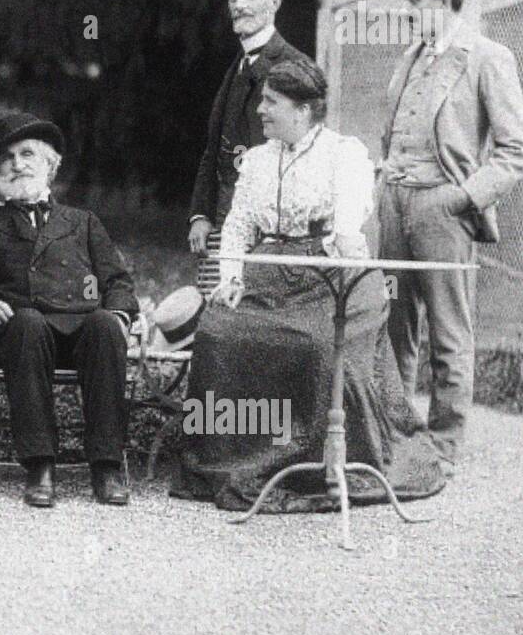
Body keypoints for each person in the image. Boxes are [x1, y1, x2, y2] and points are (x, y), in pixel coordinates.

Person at [172, 58, 445, 512]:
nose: (260, 110)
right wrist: (232, 276)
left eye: (271, 102)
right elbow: (238, 225)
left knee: (317, 344)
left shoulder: (344, 154)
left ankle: (318, 462)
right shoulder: (257, 161)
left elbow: (347, 226)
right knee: (219, 332)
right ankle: (228, 460)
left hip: (329, 271)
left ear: (302, 111)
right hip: (269, 270)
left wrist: (348, 266)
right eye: (262, 100)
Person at [0, 113, 139, 508]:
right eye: (7, 157)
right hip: (19, 335)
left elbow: (118, 283)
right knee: (26, 320)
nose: (17, 163)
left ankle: (106, 467)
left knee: (104, 325)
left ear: (52, 165)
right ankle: (40, 466)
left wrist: (118, 315)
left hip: (79, 331)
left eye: (28, 154)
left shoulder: (83, 222)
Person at [378, 0, 523, 471]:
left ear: (444, 2)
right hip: (393, 204)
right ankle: (396, 437)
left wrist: (462, 197)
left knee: (449, 330)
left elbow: (517, 151)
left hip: (443, 207)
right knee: (394, 323)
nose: (407, 13)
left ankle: (443, 447)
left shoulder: (489, 57)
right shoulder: (410, 58)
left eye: (414, 3)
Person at [188, 0, 309, 261]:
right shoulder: (236, 67)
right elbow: (214, 147)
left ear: (275, 2)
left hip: (270, 227)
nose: (239, 5)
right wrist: (201, 214)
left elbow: (302, 155)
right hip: (224, 218)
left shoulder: (295, 66)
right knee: (217, 300)